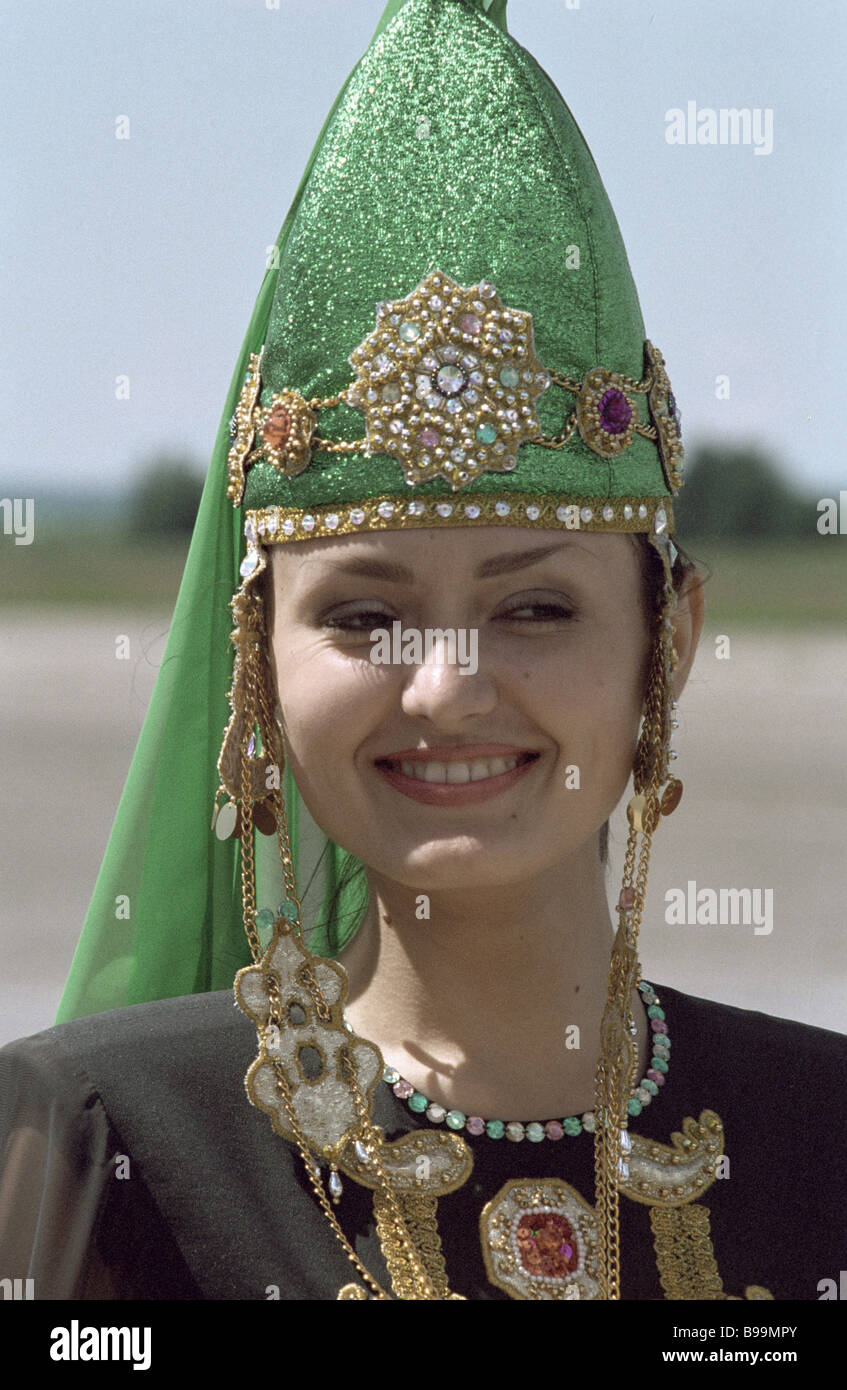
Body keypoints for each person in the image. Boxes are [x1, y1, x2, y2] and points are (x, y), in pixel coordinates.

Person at [0, 0, 844, 1303]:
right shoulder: (102, 1148)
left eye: (535, 609)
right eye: (365, 615)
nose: (448, 684)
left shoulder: (822, 1141)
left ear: (668, 639)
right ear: (257, 652)